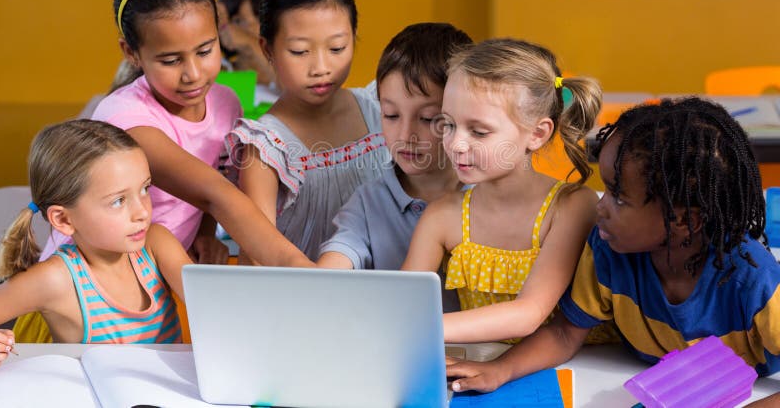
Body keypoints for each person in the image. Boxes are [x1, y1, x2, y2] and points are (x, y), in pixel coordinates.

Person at [446, 97, 780, 393]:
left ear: (684, 221)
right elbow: (565, 334)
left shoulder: (754, 282)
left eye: (618, 198)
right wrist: (498, 369)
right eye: (605, 189)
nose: (600, 205)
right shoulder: (608, 249)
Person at [40, 0, 312, 268]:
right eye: (171, 61)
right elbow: (214, 193)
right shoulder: (124, 119)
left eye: (205, 50)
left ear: (220, 33)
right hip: (87, 290)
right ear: (131, 53)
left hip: (153, 281)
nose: (193, 74)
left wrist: (206, 233)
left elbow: (212, 178)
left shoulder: (225, 102)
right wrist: (302, 271)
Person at [402, 38, 603, 344]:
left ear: (537, 134)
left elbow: (528, 313)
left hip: (580, 371)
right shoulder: (442, 216)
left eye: (479, 131)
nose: (455, 144)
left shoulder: (572, 206)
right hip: (483, 367)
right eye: (449, 124)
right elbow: (402, 306)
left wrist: (415, 328)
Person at [0, 120, 192, 372]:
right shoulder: (57, 279)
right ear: (64, 219)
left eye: (145, 189)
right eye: (118, 201)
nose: (142, 212)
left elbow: (214, 306)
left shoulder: (157, 245)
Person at [226, 0, 390, 261]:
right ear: (267, 49)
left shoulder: (383, 109)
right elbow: (258, 260)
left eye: (337, 48)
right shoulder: (266, 148)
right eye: (300, 52)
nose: (321, 68)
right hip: (308, 301)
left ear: (354, 36)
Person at [316, 22, 471, 310]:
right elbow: (339, 257)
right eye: (390, 115)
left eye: (427, 118)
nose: (404, 136)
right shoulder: (368, 202)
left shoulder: (489, 195)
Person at [217, 0, 275, 85]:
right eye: (238, 21)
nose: (251, 27)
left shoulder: (285, 77)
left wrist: (250, 42)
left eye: (260, 18)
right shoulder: (221, 72)